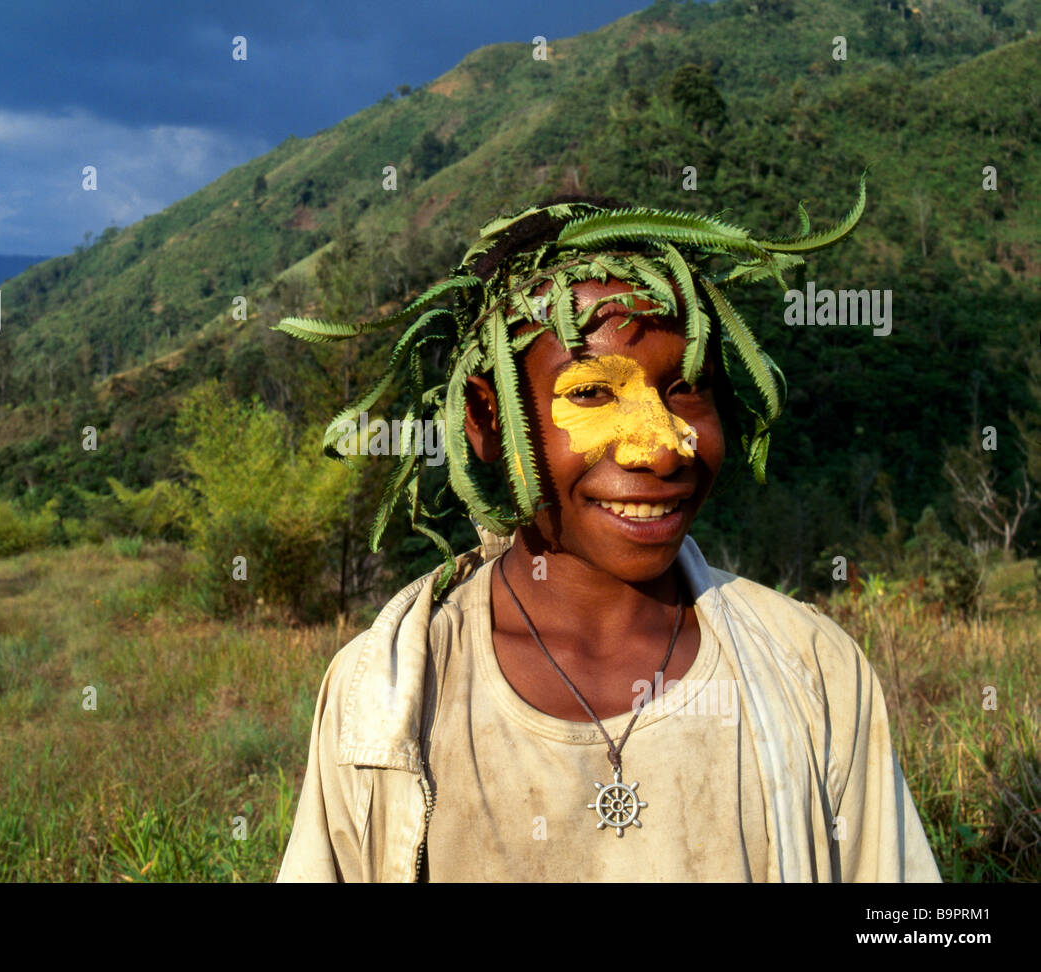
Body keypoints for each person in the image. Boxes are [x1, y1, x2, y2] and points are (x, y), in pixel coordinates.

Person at [273, 178, 941, 882]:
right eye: (592, 392)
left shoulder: (813, 673)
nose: (659, 446)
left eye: (686, 386)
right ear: (486, 419)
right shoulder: (387, 697)